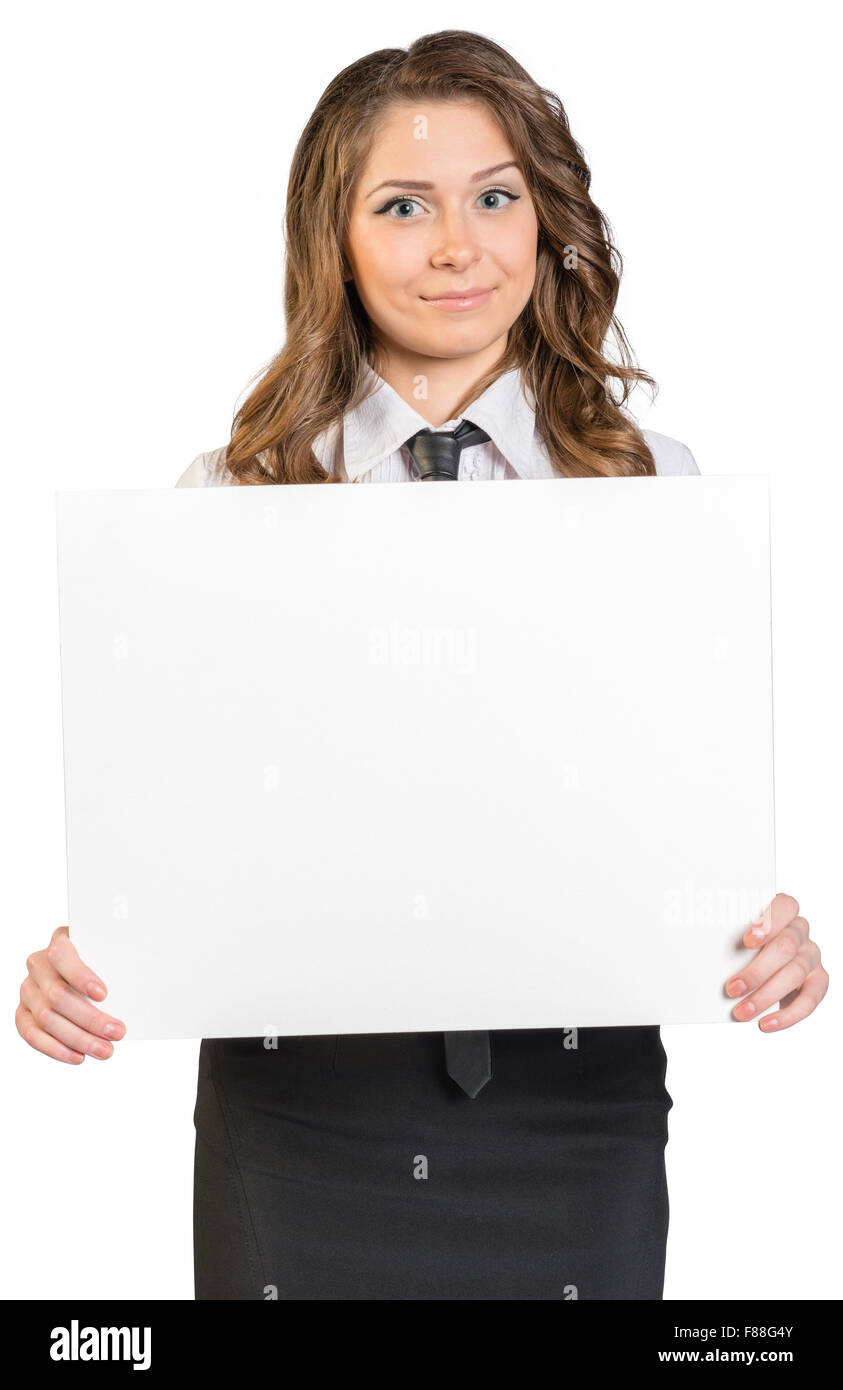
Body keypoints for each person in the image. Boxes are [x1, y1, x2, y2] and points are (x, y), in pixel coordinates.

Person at [17, 30, 828, 1301]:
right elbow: (183, 817)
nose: (460, 245)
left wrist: (768, 931)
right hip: (300, 1117)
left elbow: (667, 806)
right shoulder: (229, 499)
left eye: (495, 197)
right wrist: (93, 951)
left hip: (576, 1109)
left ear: (546, 220)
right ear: (331, 241)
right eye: (404, 207)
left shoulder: (652, 489)